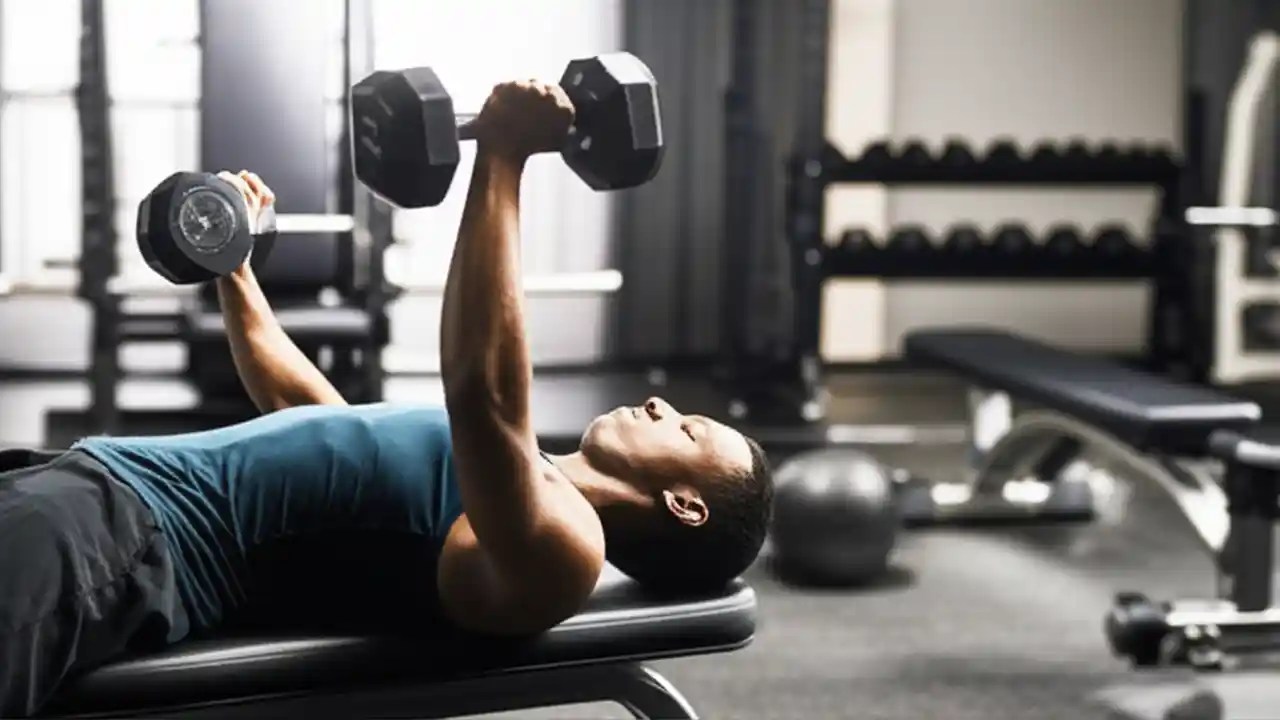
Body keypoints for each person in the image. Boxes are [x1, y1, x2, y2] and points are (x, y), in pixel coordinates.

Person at [0, 80, 773, 717]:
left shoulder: (563, 549)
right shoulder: (515, 476)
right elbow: (300, 404)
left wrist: (503, 158)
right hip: (80, 490)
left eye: (688, 429)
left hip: (115, 538)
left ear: (685, 504)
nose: (661, 406)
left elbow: (484, 389)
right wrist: (234, 267)